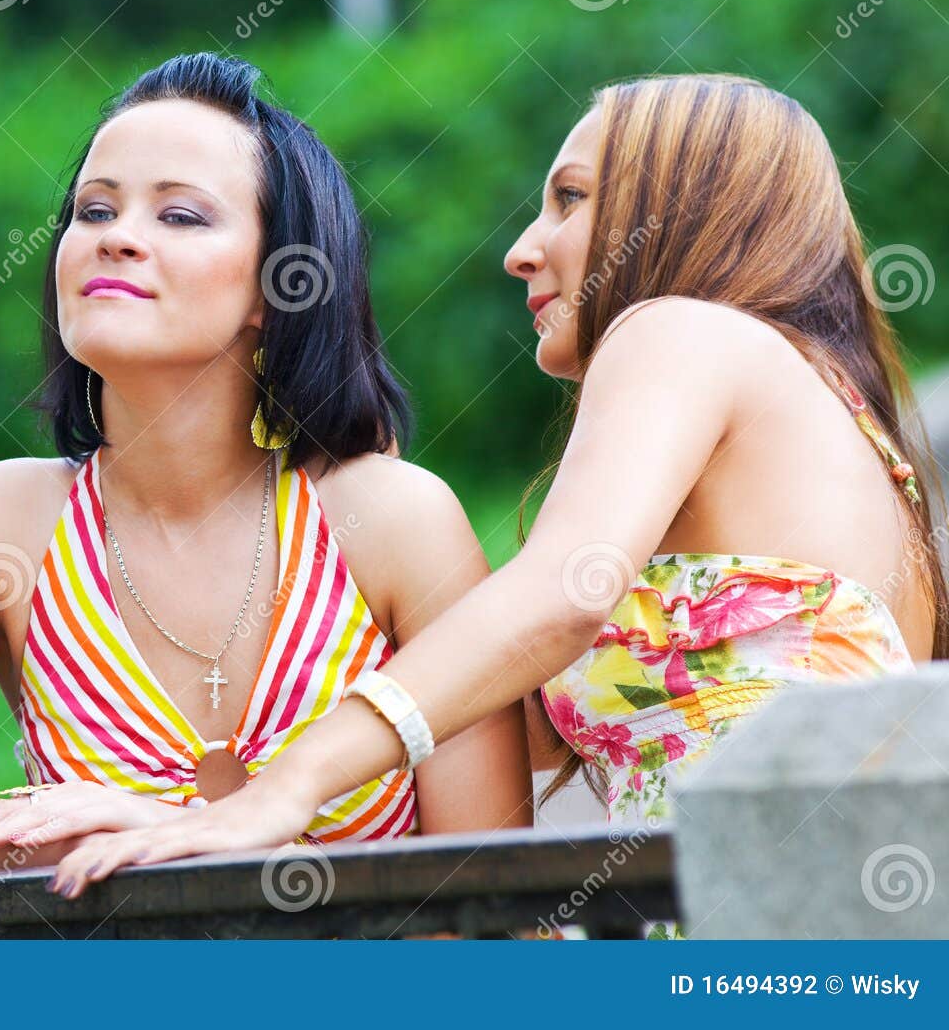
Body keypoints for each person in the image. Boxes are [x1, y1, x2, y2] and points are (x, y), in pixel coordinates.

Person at [46, 72, 944, 901]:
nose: (522, 250)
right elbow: (477, 723)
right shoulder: (851, 432)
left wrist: (282, 789)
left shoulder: (680, 331)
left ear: (684, 203)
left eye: (570, 199)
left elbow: (563, 596)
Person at [0, 52, 532, 892]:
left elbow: (493, 903)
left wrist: (194, 842)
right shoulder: (7, 519)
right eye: (94, 209)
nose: (116, 236)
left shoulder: (391, 520)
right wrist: (75, 839)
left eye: (181, 215)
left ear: (276, 285)